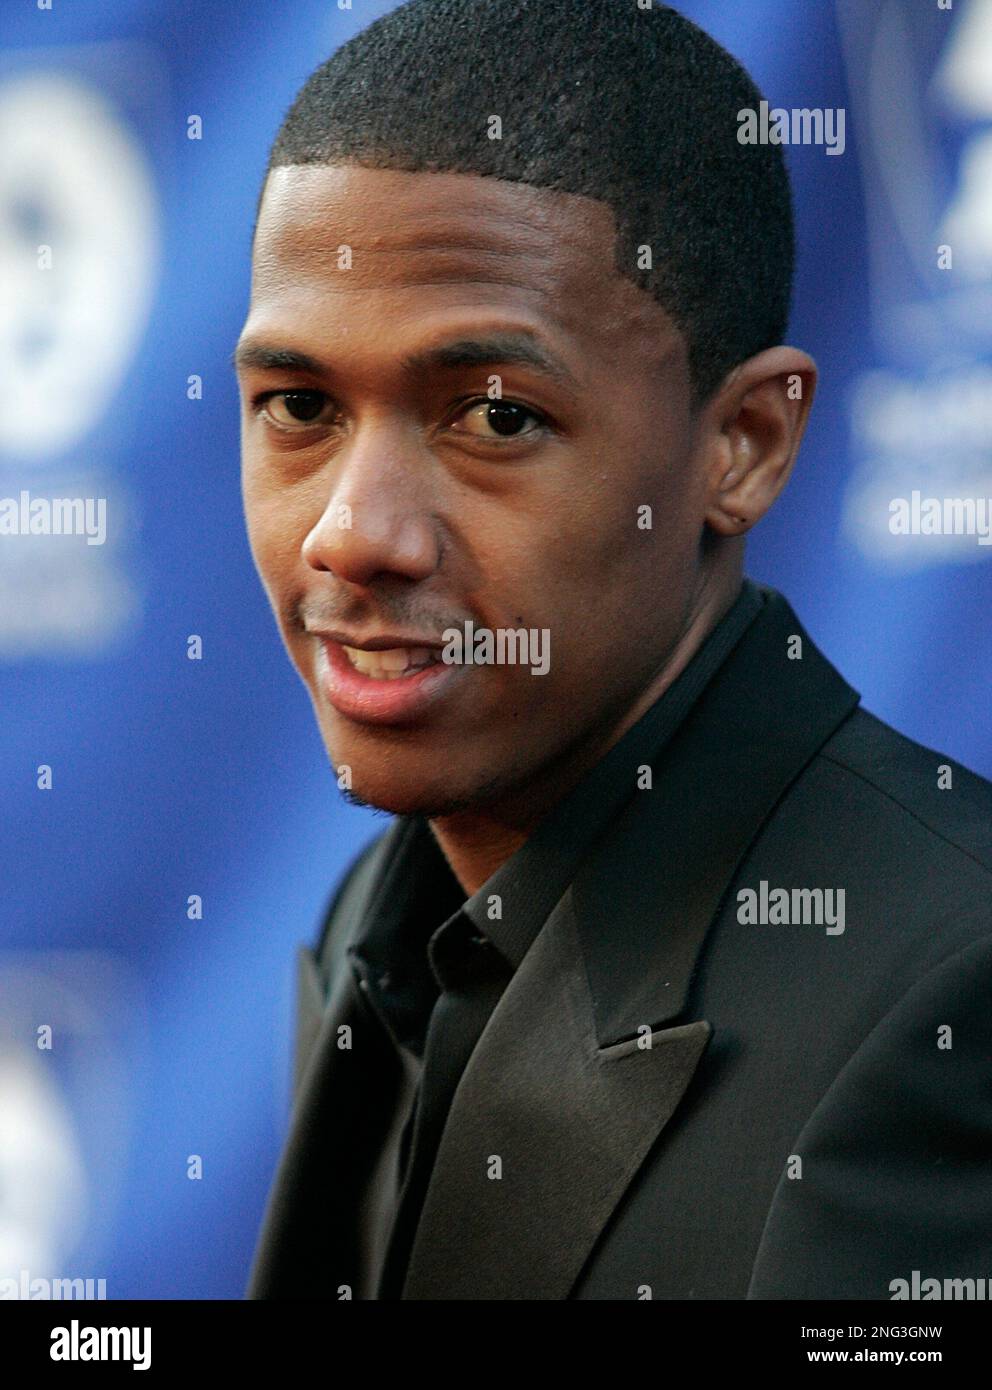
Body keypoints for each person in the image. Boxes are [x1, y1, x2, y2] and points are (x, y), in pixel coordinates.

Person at [236, 0, 992, 1300]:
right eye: (299, 406)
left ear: (743, 442)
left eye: (493, 415)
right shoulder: (384, 903)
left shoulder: (947, 993)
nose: (354, 535)